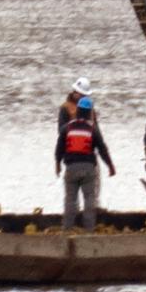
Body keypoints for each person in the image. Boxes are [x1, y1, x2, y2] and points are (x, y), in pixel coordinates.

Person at [56, 96, 115, 231]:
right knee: (89, 199)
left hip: (71, 168)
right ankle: (89, 230)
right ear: (89, 113)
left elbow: (59, 148)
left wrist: (58, 164)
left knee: (70, 199)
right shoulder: (92, 129)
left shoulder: (67, 128)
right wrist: (110, 166)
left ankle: (67, 229)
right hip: (89, 169)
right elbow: (102, 149)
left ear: (77, 111)